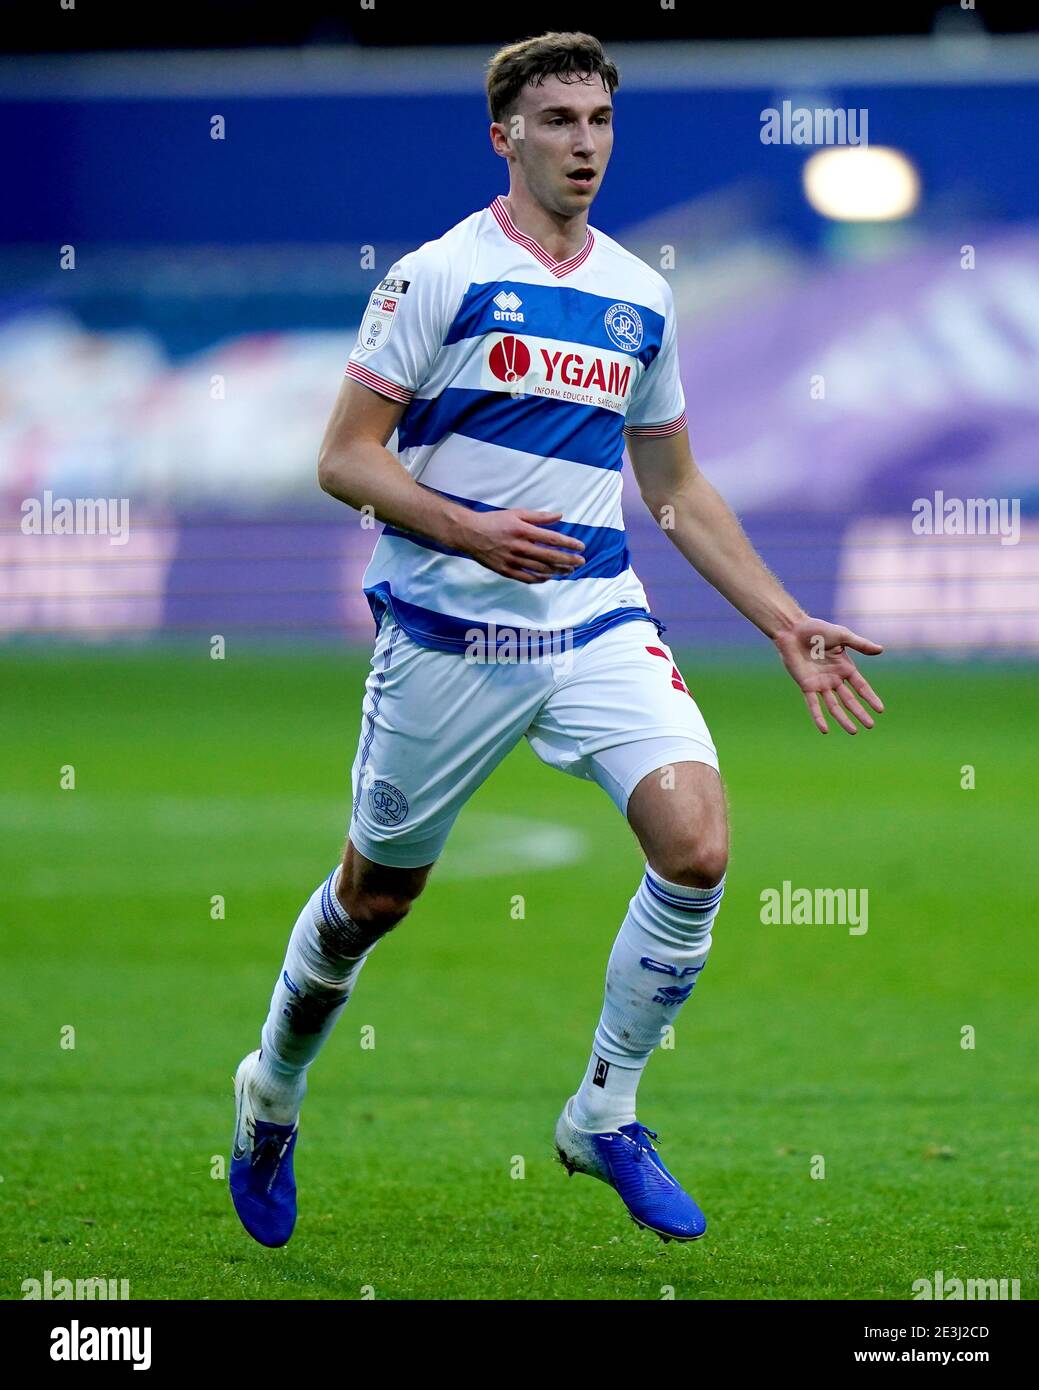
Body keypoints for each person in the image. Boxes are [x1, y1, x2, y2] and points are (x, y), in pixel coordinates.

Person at [230, 30, 884, 1248]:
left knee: (695, 847)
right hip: (445, 634)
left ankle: (604, 1110)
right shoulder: (438, 276)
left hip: (593, 620)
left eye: (599, 121)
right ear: (506, 134)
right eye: (559, 121)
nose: (584, 143)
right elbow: (344, 458)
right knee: (374, 897)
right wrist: (468, 529)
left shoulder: (639, 295)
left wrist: (787, 620)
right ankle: (270, 1088)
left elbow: (677, 488)